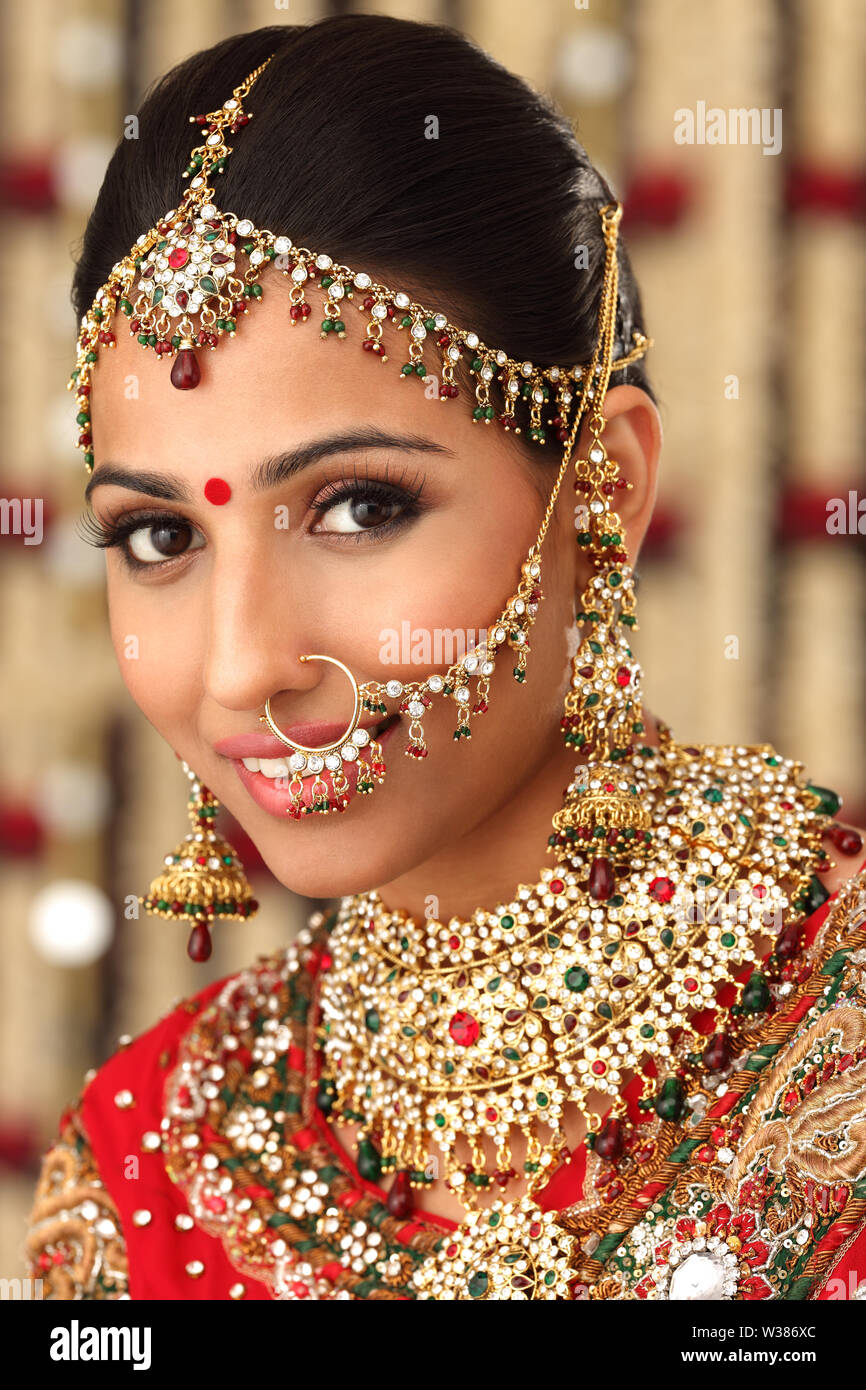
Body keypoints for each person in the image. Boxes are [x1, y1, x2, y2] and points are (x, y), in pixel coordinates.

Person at [23, 15, 866, 1301]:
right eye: (157, 534)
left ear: (601, 491)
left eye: (360, 507)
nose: (245, 666)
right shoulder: (150, 1156)